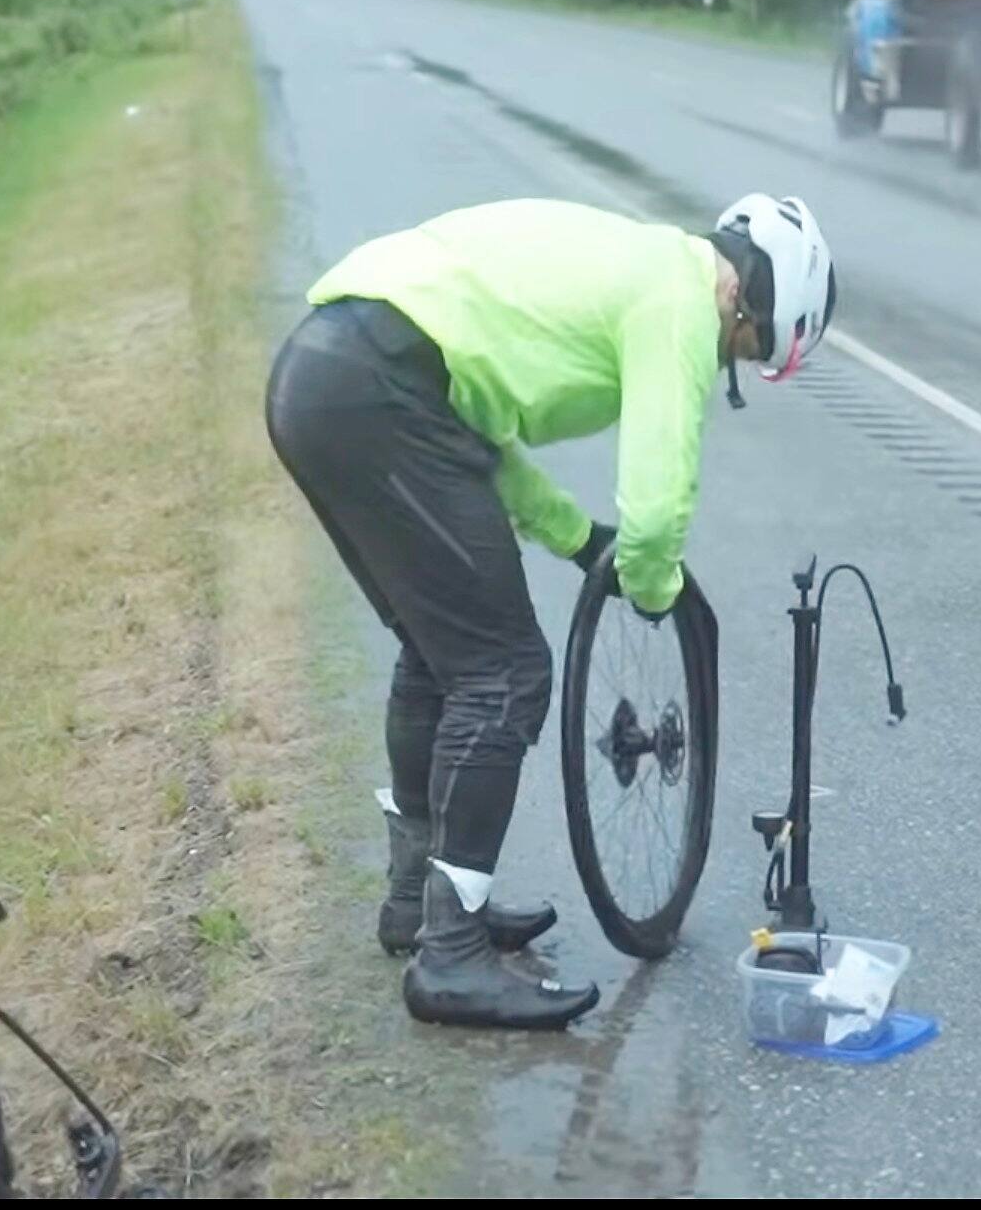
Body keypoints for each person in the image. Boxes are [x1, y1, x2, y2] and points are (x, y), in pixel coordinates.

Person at [265, 194, 837, 1031]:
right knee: (503, 673)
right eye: (749, 348)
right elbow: (657, 501)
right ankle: (449, 954)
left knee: (440, 655)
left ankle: (416, 903)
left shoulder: (638, 265)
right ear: (754, 300)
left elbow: (473, 432)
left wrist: (573, 538)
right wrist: (651, 585)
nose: (731, 359)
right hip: (377, 393)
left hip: (324, 377)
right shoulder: (680, 296)